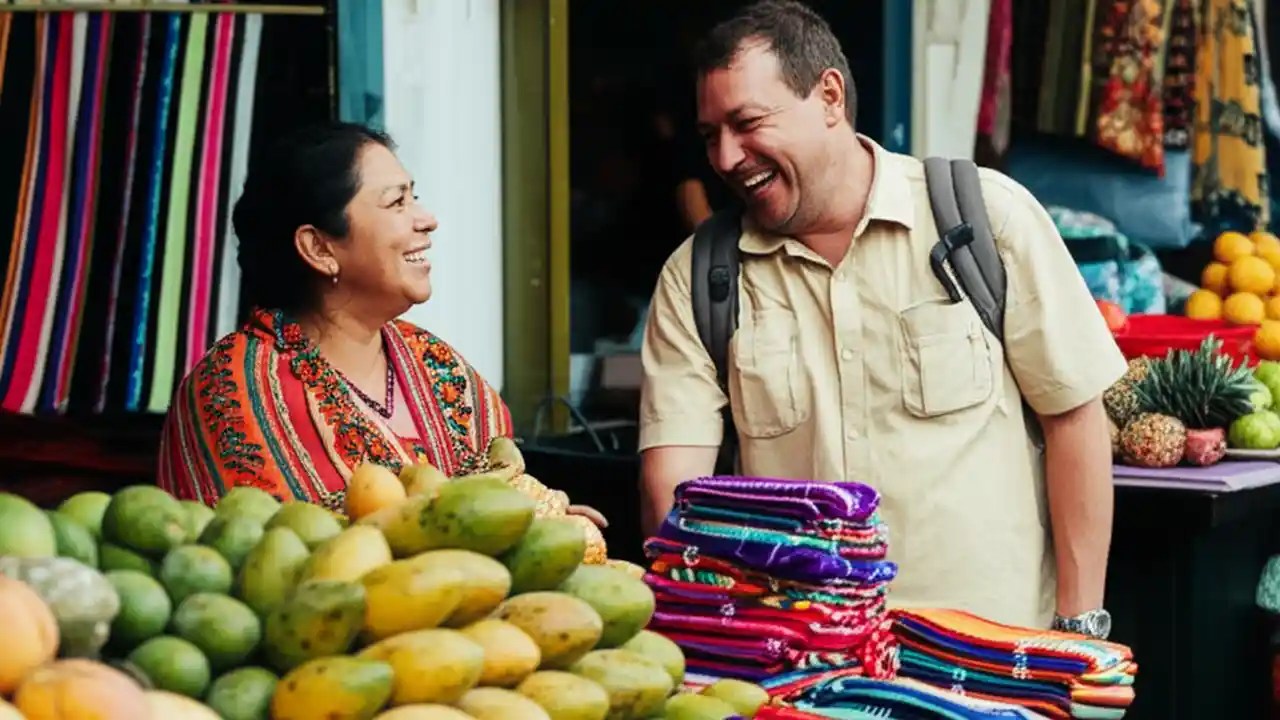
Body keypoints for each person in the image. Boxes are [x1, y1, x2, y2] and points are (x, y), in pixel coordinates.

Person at [638, 0, 1123, 635]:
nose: (727, 156)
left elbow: (1076, 424)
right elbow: (675, 487)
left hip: (994, 664)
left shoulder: (982, 220)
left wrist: (1079, 630)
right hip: (802, 667)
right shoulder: (699, 276)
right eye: (710, 136)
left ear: (830, 97)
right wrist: (716, 633)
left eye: (747, 122)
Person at [157, 122, 607, 543]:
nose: (426, 219)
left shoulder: (436, 363)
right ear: (318, 247)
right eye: (397, 203)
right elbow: (275, 568)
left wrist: (544, 529)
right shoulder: (232, 391)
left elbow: (504, 492)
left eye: (415, 198)